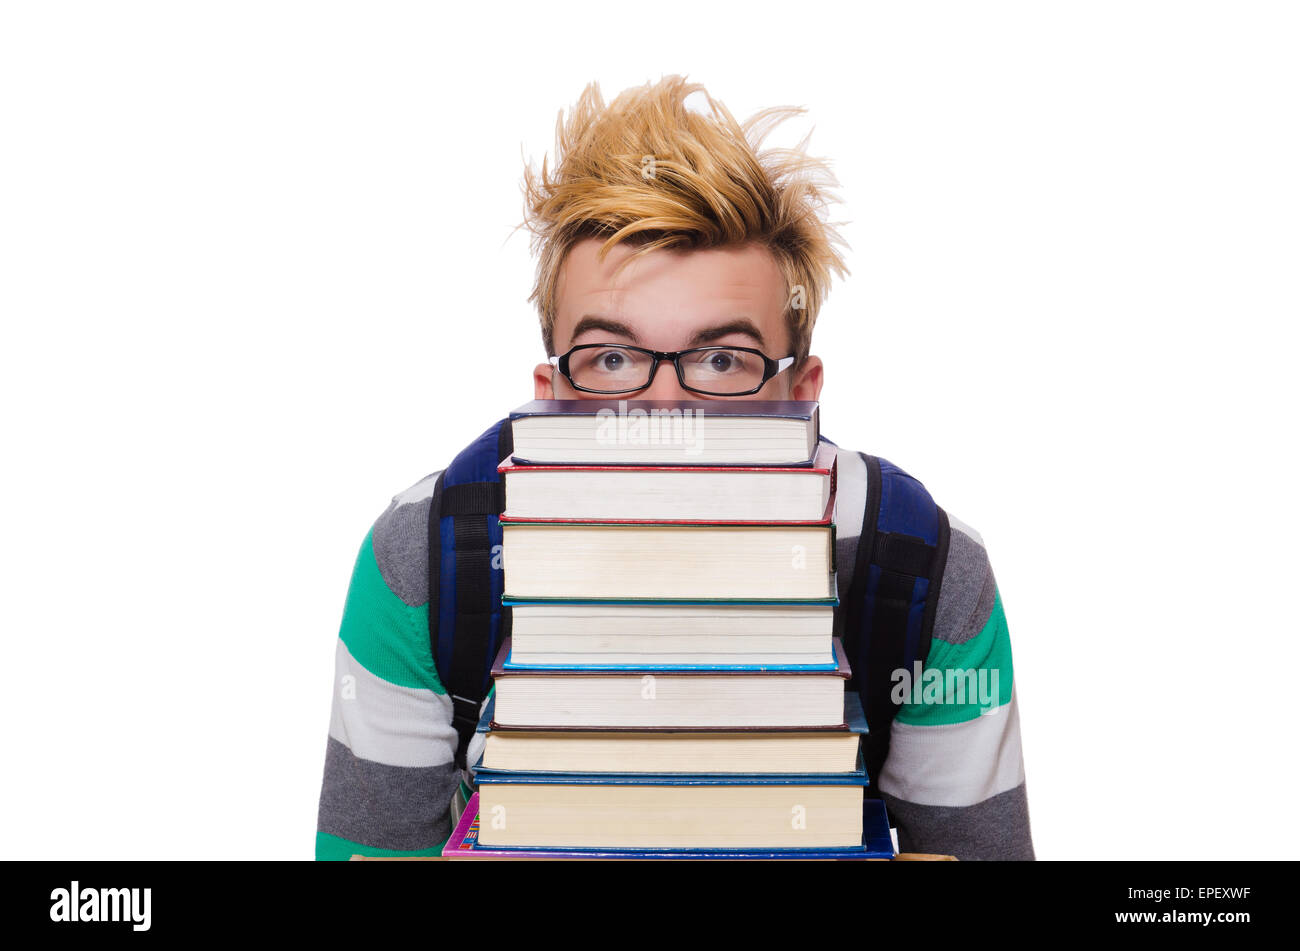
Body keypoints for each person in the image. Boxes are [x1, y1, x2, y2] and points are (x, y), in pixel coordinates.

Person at [315, 75, 1034, 861]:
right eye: (612, 357)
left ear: (801, 394)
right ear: (549, 395)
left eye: (722, 358)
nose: (664, 412)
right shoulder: (421, 562)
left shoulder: (927, 572)